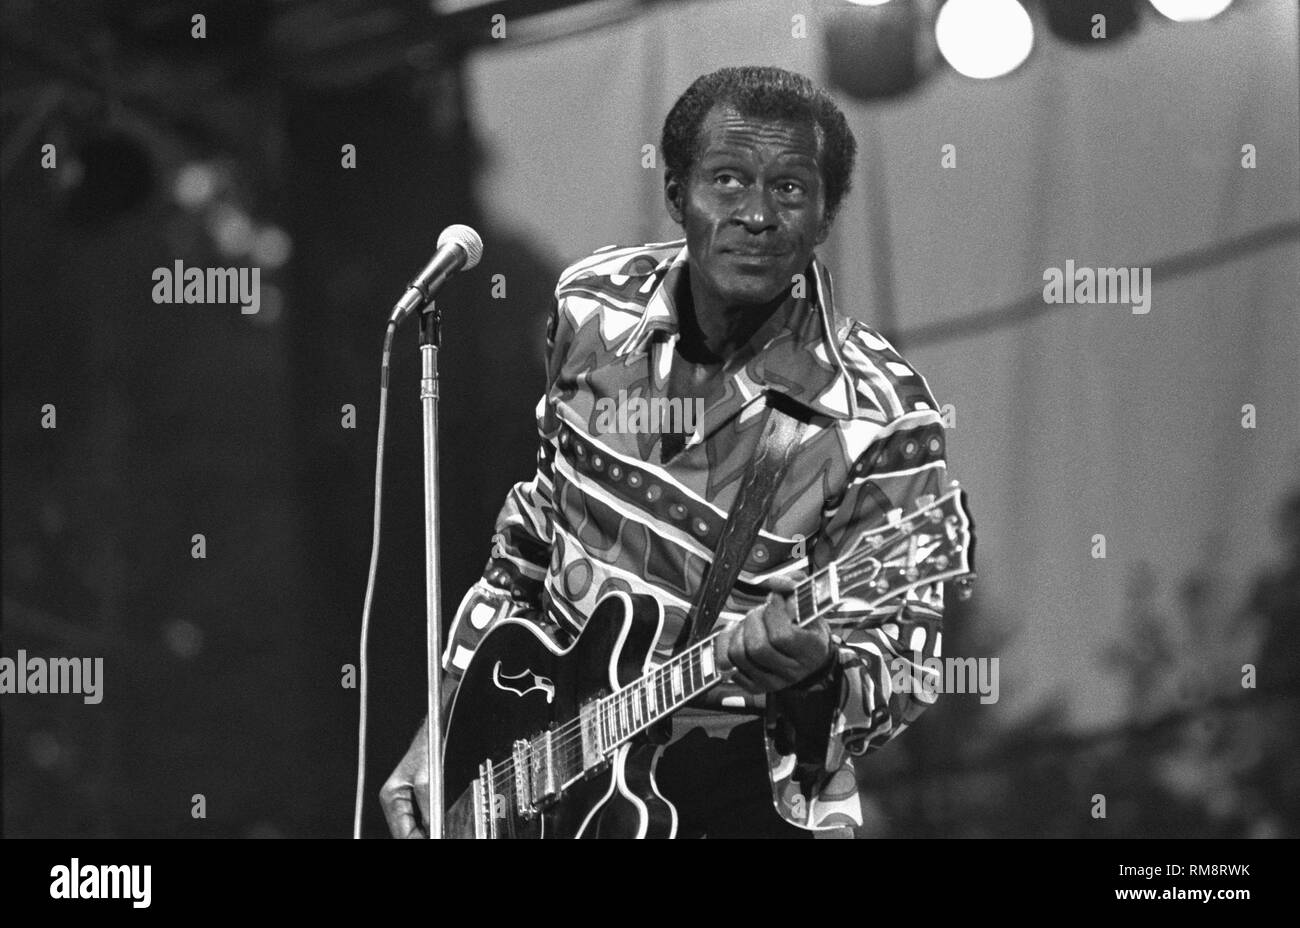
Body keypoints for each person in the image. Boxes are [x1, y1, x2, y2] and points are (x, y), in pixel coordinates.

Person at [381, 65, 949, 838]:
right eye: (727, 180)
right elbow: (529, 543)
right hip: (546, 787)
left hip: (743, 807)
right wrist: (444, 728)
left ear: (824, 218)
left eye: (790, 189)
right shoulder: (589, 310)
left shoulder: (880, 412)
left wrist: (819, 677)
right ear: (677, 193)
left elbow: (908, 671)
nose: (757, 214)